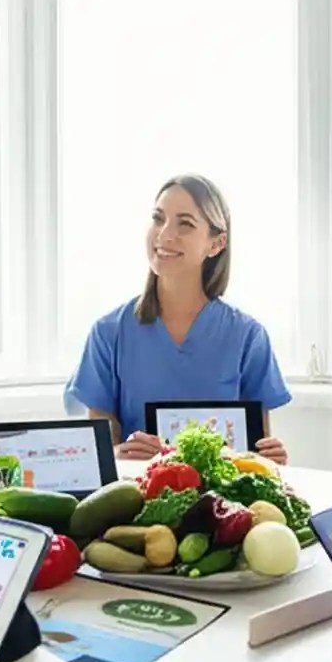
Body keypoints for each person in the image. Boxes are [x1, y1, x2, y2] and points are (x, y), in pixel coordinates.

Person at [64, 174, 293, 463]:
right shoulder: (109, 333)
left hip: (218, 490)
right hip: (137, 488)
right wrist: (118, 454)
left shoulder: (248, 337)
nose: (164, 234)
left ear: (216, 243)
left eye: (185, 224)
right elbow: (101, 451)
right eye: (158, 218)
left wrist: (270, 459)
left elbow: (256, 450)